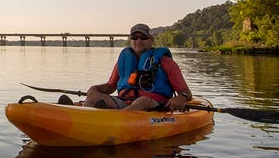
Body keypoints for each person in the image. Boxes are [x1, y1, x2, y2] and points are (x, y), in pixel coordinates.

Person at [62, 23, 193, 112]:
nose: (138, 40)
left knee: (142, 101)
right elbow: (110, 86)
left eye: (143, 37)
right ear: (130, 40)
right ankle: (80, 115)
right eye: (135, 37)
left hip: (155, 105)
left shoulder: (166, 62)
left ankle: (115, 122)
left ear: (151, 40)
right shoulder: (124, 60)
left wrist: (181, 97)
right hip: (125, 102)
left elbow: (186, 92)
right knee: (94, 97)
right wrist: (94, 89)